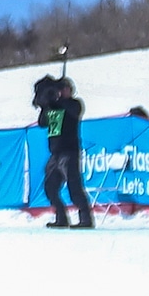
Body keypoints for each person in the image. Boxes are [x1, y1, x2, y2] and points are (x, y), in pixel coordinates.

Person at [36, 74, 92, 229]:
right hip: (55, 153)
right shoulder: (53, 106)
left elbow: (74, 111)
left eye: (63, 89)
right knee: (50, 187)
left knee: (74, 187)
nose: (60, 92)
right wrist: (45, 104)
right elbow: (42, 123)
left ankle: (86, 219)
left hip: (69, 151)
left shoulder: (74, 104)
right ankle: (61, 217)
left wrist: (60, 100)